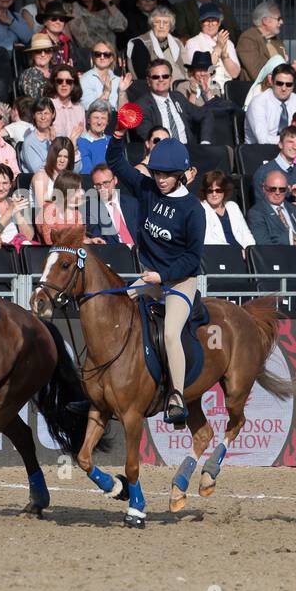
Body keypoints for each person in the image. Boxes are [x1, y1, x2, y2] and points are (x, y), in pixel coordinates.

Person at [104, 125, 205, 424]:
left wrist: (161, 276)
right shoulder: (147, 188)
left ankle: (176, 396)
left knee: (171, 333)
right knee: (115, 306)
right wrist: (119, 133)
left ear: (181, 174)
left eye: (167, 174)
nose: (160, 179)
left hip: (178, 282)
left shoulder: (192, 210)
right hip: (150, 278)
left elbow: (192, 259)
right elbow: (117, 164)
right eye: (157, 172)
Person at [199, 170, 255, 255]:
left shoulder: (232, 206)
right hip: (221, 256)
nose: (214, 194)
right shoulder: (200, 209)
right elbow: (208, 240)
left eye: (218, 190)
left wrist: (250, 252)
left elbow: (246, 234)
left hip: (243, 254)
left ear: (224, 191)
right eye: (210, 191)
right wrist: (236, 253)